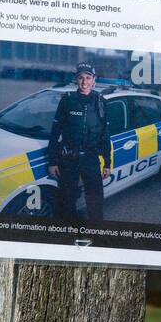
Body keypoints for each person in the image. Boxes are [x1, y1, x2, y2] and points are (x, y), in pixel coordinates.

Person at [46, 63, 111, 221]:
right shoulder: (67, 100)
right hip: (68, 158)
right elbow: (55, 132)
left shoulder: (101, 102)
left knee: (95, 199)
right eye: (81, 77)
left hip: (91, 158)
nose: (84, 81)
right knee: (67, 199)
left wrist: (107, 163)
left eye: (88, 77)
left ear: (94, 80)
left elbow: (105, 134)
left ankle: (97, 231)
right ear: (76, 80)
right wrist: (52, 161)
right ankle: (70, 229)